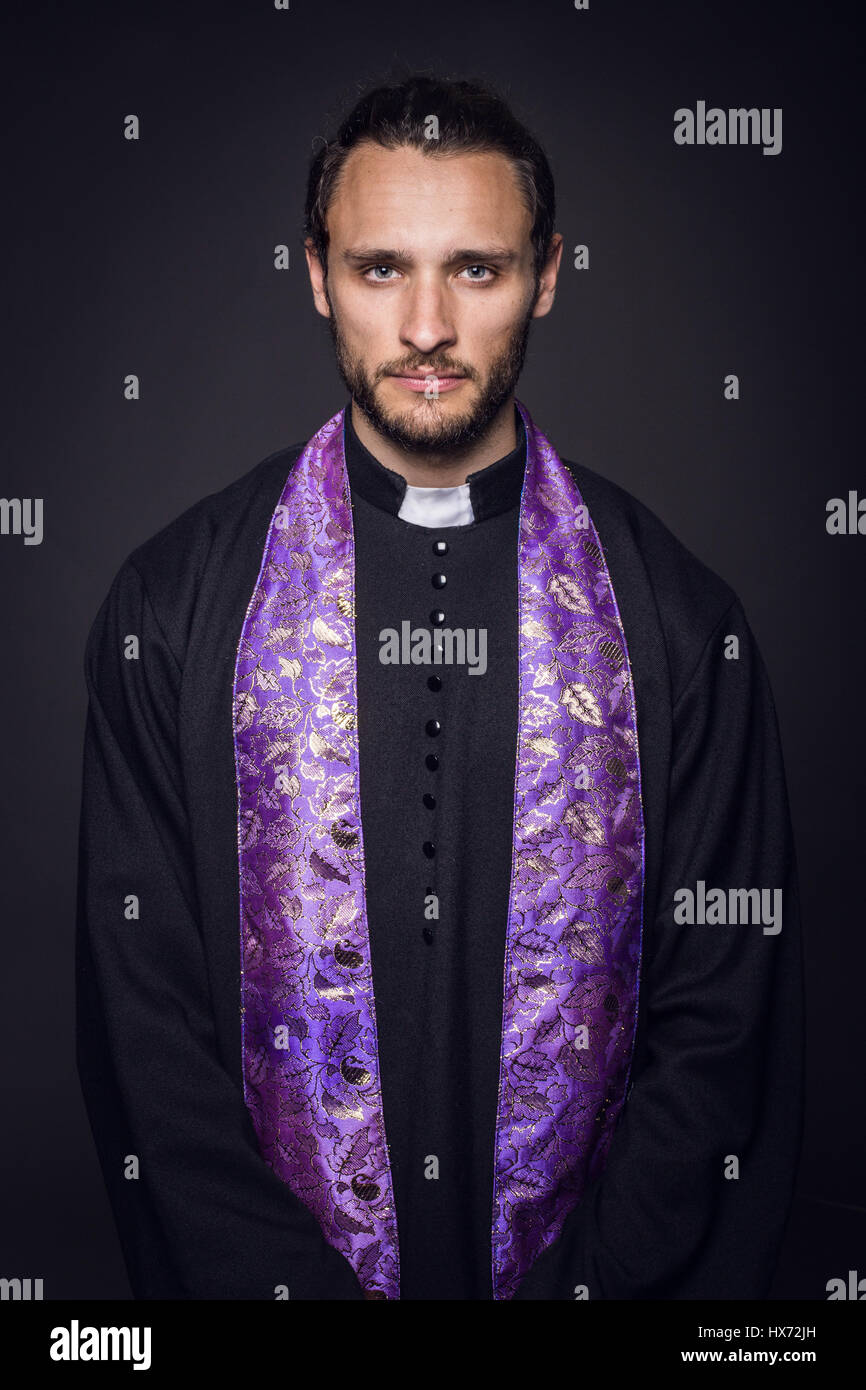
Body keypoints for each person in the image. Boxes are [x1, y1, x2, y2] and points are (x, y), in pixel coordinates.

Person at [75, 74, 804, 1302]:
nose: (424, 325)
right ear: (315, 274)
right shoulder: (174, 611)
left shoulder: (677, 624)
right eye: (377, 270)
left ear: (550, 272)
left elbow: (721, 1022)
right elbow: (144, 1029)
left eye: (475, 269)